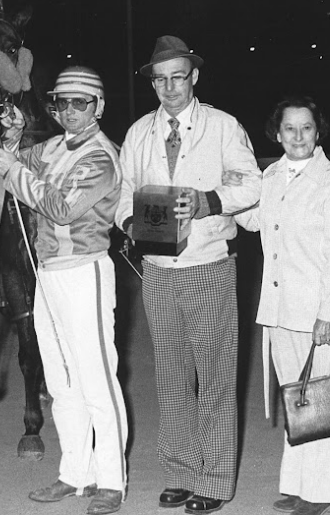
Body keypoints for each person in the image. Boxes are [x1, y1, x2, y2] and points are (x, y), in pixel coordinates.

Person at [115, 36, 261, 513]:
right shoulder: (139, 133)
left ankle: (215, 479)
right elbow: (123, 193)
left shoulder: (223, 126)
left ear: (194, 76)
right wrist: (129, 223)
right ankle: (179, 472)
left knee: (215, 377)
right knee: (171, 376)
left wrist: (209, 201)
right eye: (160, 79)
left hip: (208, 265)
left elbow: (252, 183)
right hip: (157, 271)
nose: (170, 87)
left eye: (178, 77)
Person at [0, 66, 128, 515]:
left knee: (97, 379)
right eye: (62, 103)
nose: (69, 111)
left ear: (98, 107)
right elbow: (14, 160)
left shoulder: (101, 157)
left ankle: (111, 481)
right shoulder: (52, 147)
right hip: (48, 272)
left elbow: (61, 207)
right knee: (62, 380)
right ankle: (75, 473)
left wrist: (15, 169)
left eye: (80, 103)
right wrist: (13, 135)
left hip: (85, 272)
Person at [231, 97, 330, 515]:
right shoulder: (271, 175)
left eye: (306, 128)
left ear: (318, 132)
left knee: (325, 406)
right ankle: (299, 484)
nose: (298, 136)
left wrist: (328, 313)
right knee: (297, 401)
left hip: (318, 313)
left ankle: (323, 492)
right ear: (277, 133)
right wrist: (229, 190)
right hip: (280, 310)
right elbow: (255, 220)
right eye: (290, 128)